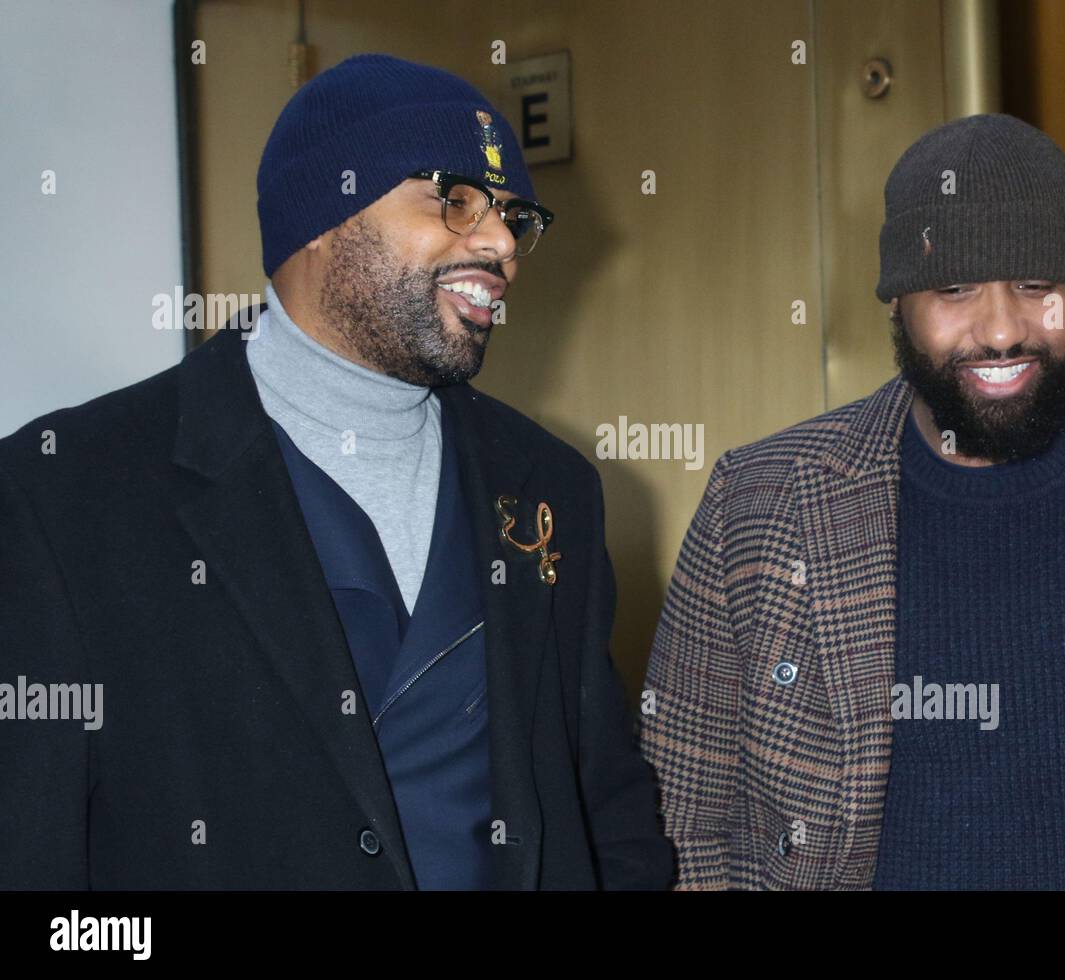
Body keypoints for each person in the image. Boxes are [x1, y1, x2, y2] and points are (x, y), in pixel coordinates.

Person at [0, 53, 670, 890]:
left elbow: (601, 802)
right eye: (455, 198)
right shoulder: (65, 492)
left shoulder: (550, 486)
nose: (500, 242)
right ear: (323, 213)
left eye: (513, 216)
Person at [640, 113, 1065, 890]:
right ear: (895, 303)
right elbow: (680, 816)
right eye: (955, 288)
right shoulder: (758, 503)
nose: (1000, 330)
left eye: (1036, 286)